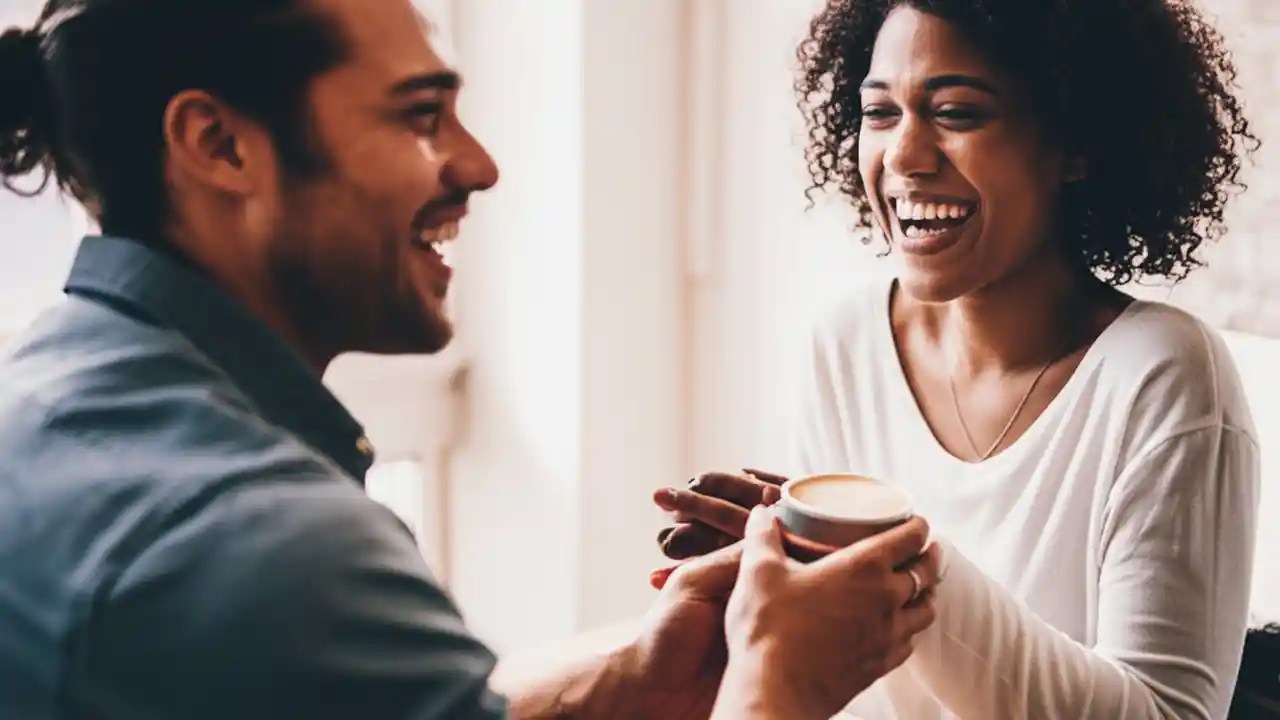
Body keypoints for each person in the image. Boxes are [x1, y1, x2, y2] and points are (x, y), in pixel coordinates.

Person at [0, 1, 944, 718]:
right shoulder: (271, 547)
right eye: (420, 117)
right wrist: (778, 685)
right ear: (219, 146)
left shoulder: (42, 400)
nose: (479, 163)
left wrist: (643, 674)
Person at [656, 0, 1261, 718]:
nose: (905, 156)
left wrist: (894, 567)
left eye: (959, 113)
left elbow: (1166, 714)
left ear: (1078, 144)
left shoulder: (1164, 375)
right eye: (880, 114)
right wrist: (784, 580)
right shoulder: (845, 345)